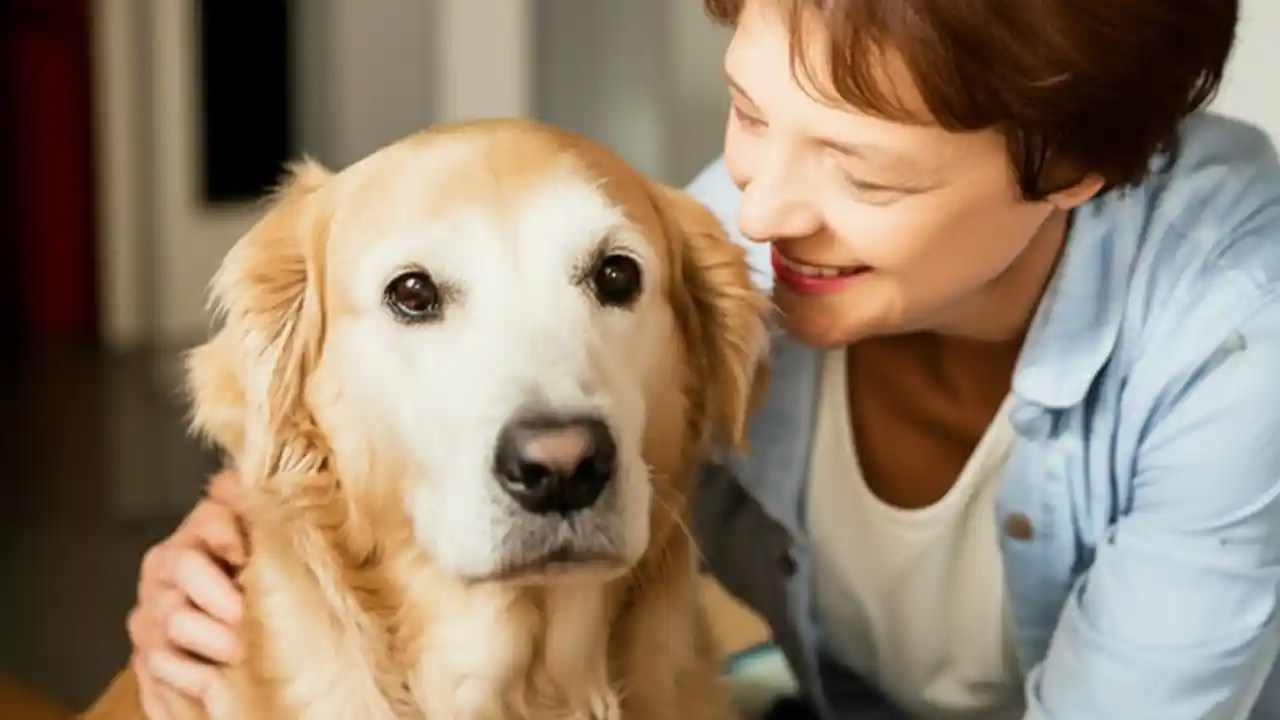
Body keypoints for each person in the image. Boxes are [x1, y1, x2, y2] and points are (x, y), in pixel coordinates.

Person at [124, 0, 1280, 717]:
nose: (760, 211)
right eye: (749, 112)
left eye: (862, 173)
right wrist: (219, 548)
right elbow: (361, 428)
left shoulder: (1237, 337)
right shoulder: (699, 268)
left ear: (1075, 170)